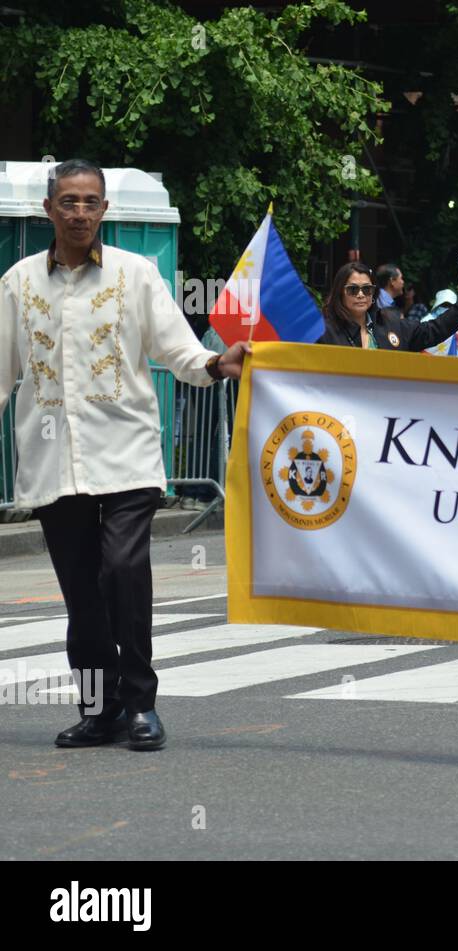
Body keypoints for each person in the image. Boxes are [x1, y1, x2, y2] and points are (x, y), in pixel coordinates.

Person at [0, 159, 251, 752]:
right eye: (69, 202)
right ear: (49, 210)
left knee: (122, 573)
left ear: (104, 210)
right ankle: (100, 711)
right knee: (81, 596)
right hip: (53, 465)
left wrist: (217, 364)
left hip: (128, 458)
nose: (79, 212)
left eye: (90, 202)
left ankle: (140, 704)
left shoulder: (136, 274)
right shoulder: (17, 283)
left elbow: (178, 350)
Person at [316, 262, 458, 351]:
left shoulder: (391, 323)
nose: (360, 295)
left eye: (367, 289)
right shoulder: (323, 331)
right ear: (340, 292)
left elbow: (434, 330)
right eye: (353, 289)